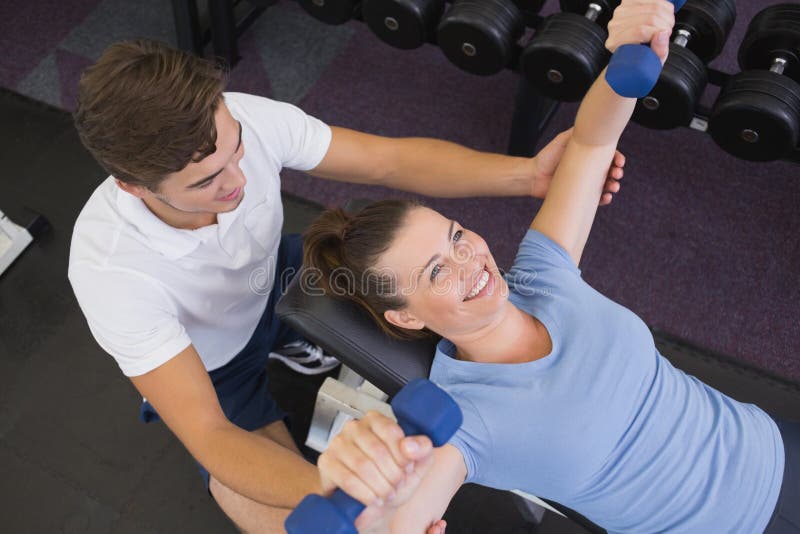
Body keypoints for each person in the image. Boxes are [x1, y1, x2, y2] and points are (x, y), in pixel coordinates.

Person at [66, 36, 626, 533]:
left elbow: (386, 161)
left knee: (420, 288)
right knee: (252, 497)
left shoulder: (241, 120)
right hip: (212, 361)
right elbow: (209, 433)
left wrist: (528, 175)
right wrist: (349, 488)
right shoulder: (111, 274)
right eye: (208, 180)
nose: (238, 179)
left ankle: (302, 343)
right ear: (134, 188)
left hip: (284, 274)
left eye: (236, 150)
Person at [302, 1, 799, 532]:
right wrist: (371, 500)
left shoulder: (542, 274)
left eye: (457, 236)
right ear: (405, 317)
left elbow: (592, 140)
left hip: (772, 446)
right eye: (436, 272)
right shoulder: (461, 419)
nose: (469, 261)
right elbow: (399, 518)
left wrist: (628, 54)